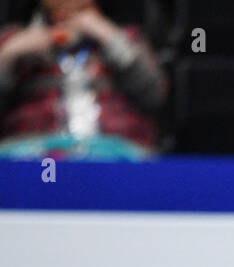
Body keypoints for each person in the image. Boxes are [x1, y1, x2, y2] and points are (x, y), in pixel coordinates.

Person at [0, 0, 166, 159]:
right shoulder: (12, 40)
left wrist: (108, 36)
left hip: (115, 153)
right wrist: (10, 53)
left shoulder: (128, 37)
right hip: (32, 152)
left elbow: (154, 95)